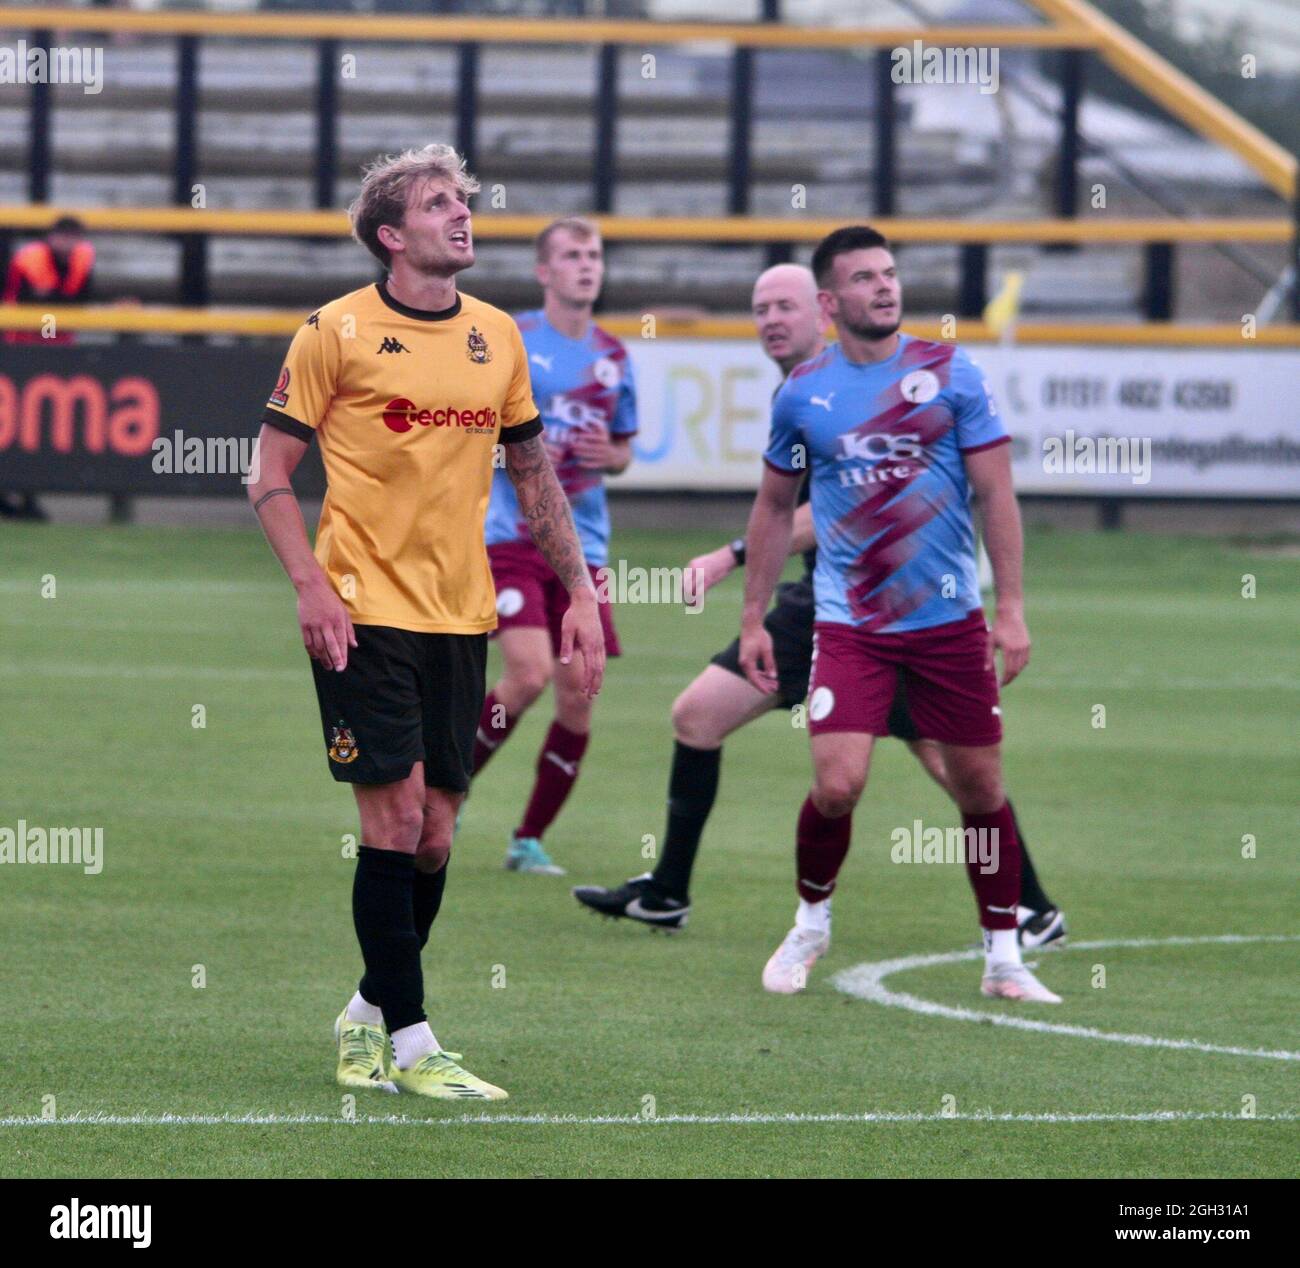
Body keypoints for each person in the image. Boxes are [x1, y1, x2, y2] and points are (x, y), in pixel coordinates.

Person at [246, 144, 605, 1102]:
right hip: (359, 610)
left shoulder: (498, 335)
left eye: (465, 199)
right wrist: (310, 587)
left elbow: (535, 477)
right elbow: (269, 479)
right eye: (439, 203)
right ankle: (413, 1044)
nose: (463, 213)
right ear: (392, 235)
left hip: (462, 615)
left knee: (437, 833)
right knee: (395, 815)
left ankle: (367, 1011)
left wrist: (579, 596)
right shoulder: (335, 331)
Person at [573, 264, 1065, 952]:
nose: (770, 319)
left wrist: (727, 556)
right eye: (759, 308)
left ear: (823, 312)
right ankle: (668, 891)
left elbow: (832, 518)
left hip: (876, 612)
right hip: (823, 606)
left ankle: (1029, 910)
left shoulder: (857, 384)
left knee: (956, 768)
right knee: (698, 717)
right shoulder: (801, 391)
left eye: (785, 306)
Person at [739, 226, 1060, 1002]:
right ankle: (812, 922)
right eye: (864, 278)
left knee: (980, 789)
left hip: (949, 625)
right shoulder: (803, 394)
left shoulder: (951, 372)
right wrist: (752, 618)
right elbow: (776, 508)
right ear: (831, 301)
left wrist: (1010, 608)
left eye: (889, 274)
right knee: (838, 784)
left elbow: (997, 494)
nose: (885, 287)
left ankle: (1003, 955)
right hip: (850, 624)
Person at [469, 217, 636, 875]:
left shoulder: (615, 356)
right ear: (544, 272)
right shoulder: (510, 341)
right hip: (511, 534)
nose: (586, 265)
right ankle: (446, 794)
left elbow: (622, 451)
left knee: (578, 693)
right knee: (529, 674)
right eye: (571, 255)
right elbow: (475, 428)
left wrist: (612, 455)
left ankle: (528, 837)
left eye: (593, 254)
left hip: (583, 547)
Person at [1, 215, 95, 520]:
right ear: (51, 237)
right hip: (19, 352)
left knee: (37, 430)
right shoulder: (29, 260)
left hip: (55, 355)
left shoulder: (82, 258)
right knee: (12, 429)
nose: (68, 244)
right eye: (63, 236)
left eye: (73, 237)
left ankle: (26, 496)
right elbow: (23, 303)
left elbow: (81, 300)